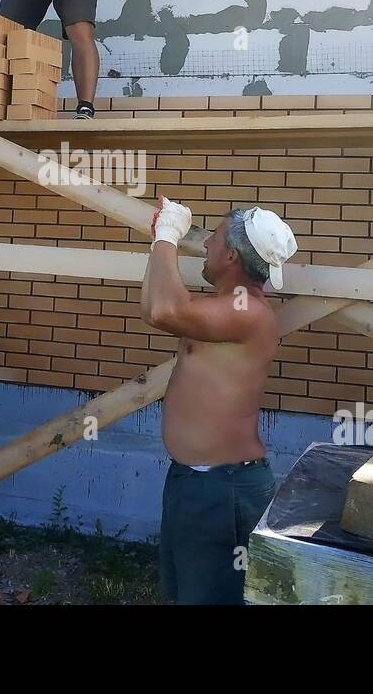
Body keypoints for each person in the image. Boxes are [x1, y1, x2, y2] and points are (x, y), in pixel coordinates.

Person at [140, 197, 298, 604]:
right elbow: (153, 307)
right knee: (185, 594)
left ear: (230, 255)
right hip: (196, 483)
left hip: (221, 489)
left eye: (212, 237)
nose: (205, 244)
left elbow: (163, 309)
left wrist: (169, 235)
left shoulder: (250, 314)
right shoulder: (224, 309)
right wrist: (161, 242)